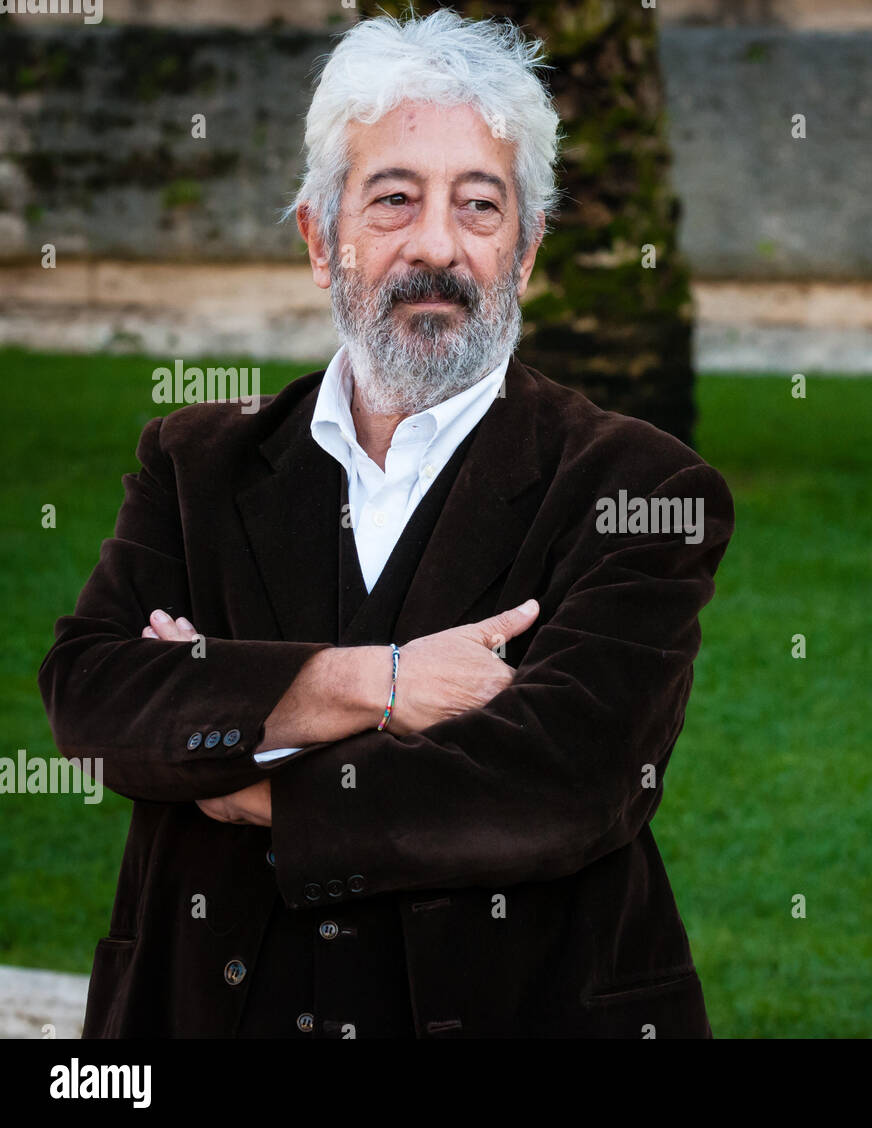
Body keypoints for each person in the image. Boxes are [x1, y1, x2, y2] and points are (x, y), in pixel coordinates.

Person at [37, 9, 732, 1039]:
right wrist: (378, 684)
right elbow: (95, 697)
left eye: (480, 206)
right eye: (394, 199)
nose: (437, 246)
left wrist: (245, 767)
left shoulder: (638, 487)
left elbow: (565, 782)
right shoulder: (194, 463)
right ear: (324, 239)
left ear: (527, 252)